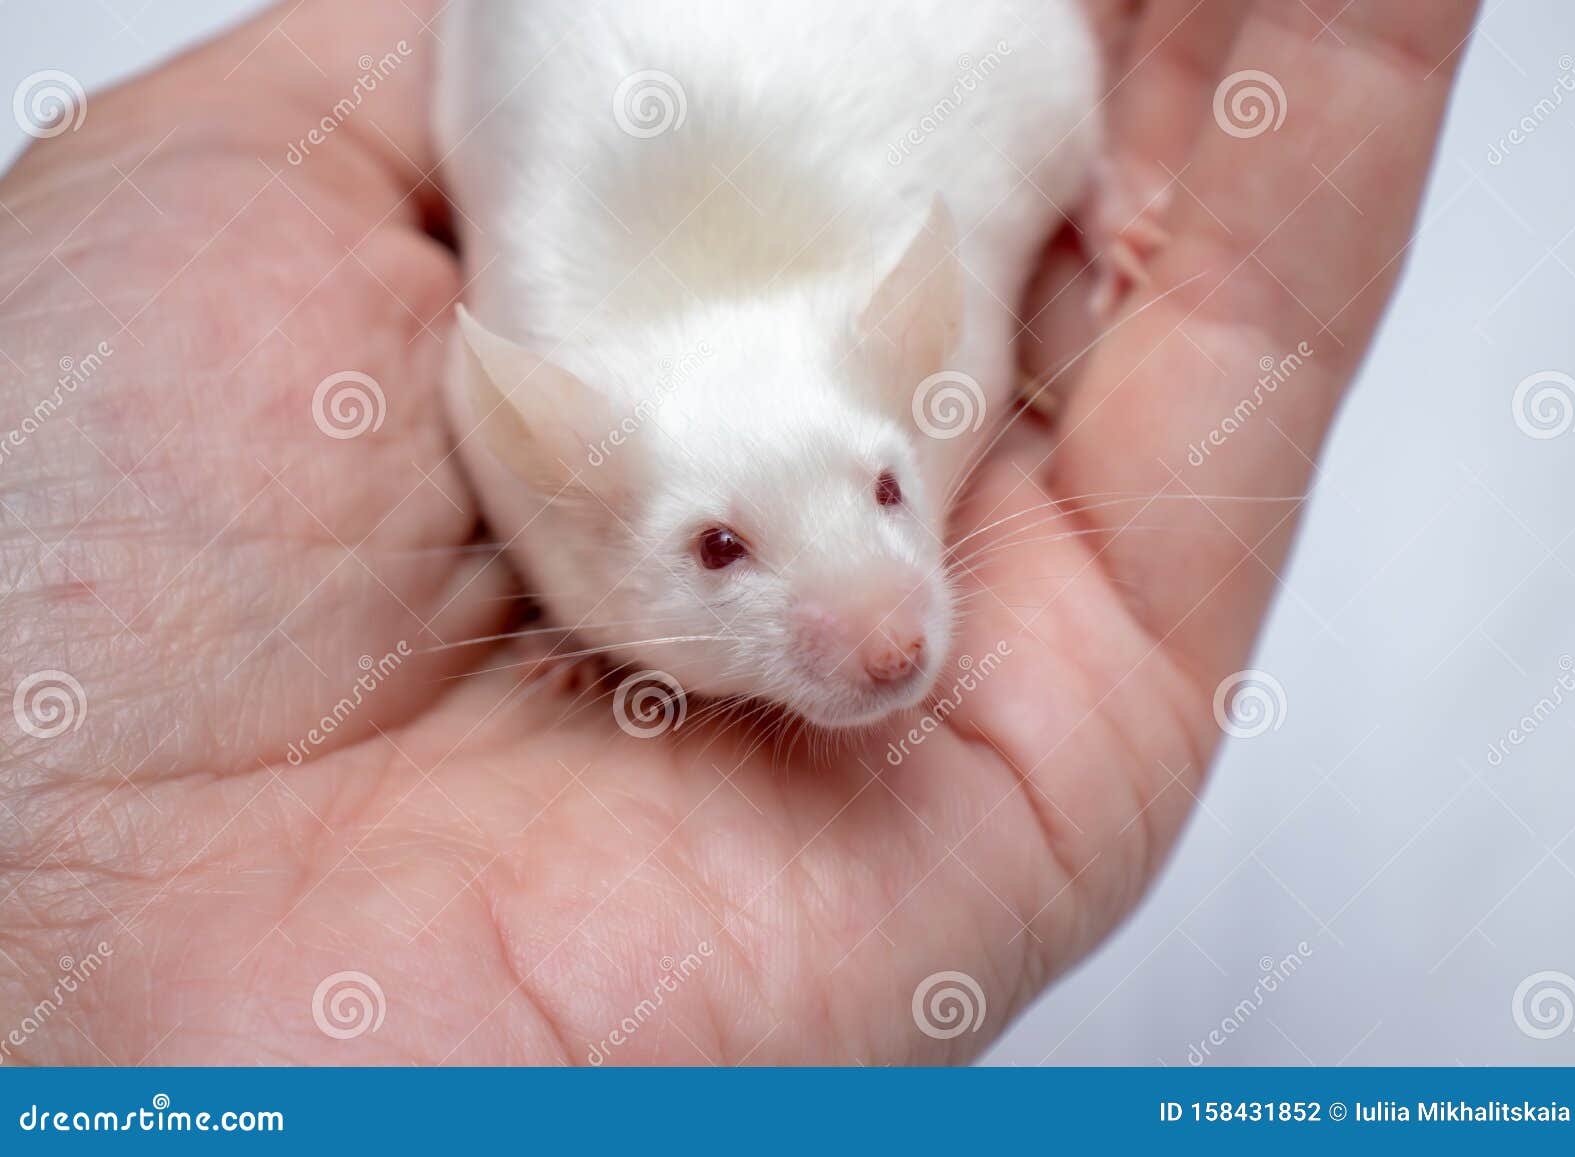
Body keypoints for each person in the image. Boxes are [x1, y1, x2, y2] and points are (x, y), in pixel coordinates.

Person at [0, 0, 1477, 1063]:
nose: (888, 629)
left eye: (889, 490)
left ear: (910, 396)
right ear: (588, 511)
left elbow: (1024, 64)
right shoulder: (542, 431)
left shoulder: (905, 302)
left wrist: (1091, 177)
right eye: (720, 549)